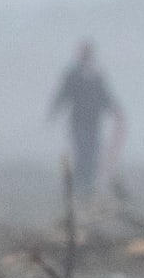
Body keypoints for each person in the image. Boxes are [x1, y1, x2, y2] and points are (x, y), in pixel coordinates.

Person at [48, 41, 125, 203]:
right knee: (82, 154)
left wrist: (116, 111)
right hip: (78, 124)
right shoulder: (73, 75)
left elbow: (105, 96)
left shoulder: (97, 76)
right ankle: (80, 186)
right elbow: (62, 95)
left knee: (92, 154)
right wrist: (53, 113)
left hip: (93, 124)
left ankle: (88, 187)